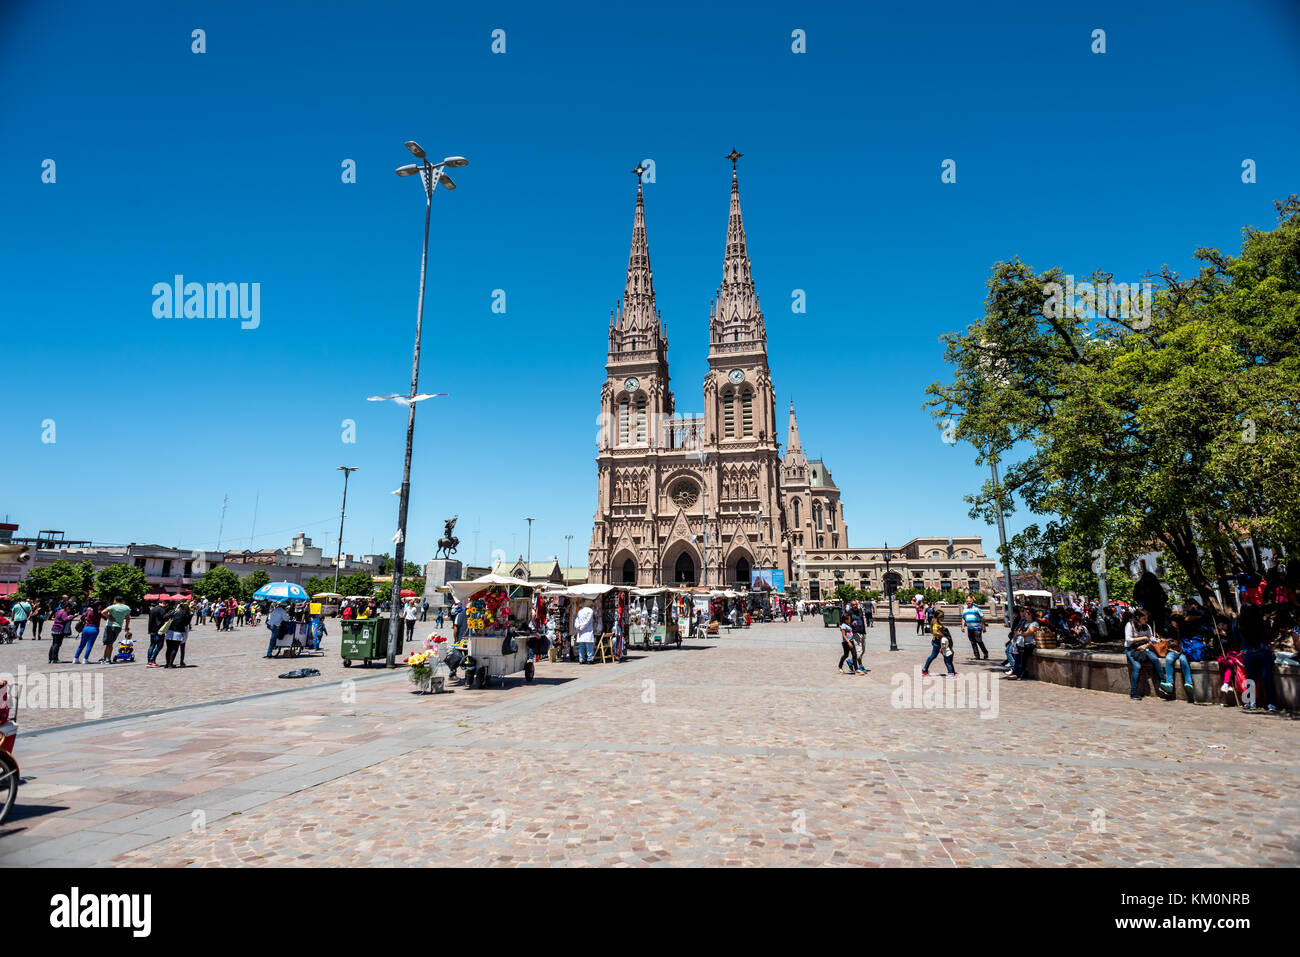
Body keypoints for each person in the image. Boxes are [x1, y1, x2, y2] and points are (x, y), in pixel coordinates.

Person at [1124, 609, 1160, 700]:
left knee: (1155, 659)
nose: (1146, 620)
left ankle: (1163, 681)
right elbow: (1128, 639)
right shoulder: (1130, 625)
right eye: (1144, 618)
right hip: (1132, 649)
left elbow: (1151, 639)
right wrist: (1143, 638)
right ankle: (1133, 692)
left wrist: (1146, 644)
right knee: (1137, 667)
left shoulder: (1147, 626)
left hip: (1144, 648)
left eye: (1147, 618)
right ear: (1138, 617)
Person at [922, 608, 956, 677]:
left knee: (945, 656)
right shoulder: (935, 624)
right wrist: (943, 635)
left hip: (939, 641)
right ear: (938, 617)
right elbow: (935, 632)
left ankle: (952, 671)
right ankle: (925, 669)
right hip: (937, 642)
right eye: (942, 616)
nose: (943, 617)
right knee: (938, 656)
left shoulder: (938, 623)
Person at [102, 595, 131, 663]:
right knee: (109, 643)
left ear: (115, 600)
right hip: (118, 627)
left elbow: (103, 612)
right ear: (122, 601)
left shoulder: (112, 606)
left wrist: (109, 617)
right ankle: (104, 657)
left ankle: (108, 659)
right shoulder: (126, 608)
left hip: (110, 626)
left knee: (109, 644)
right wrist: (126, 626)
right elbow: (127, 618)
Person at [164, 601, 192, 667]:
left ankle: (167, 663)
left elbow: (165, 617)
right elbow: (186, 624)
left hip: (170, 631)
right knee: (174, 649)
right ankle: (170, 664)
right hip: (178, 633)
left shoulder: (174, 612)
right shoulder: (186, 615)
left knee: (169, 648)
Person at [146, 598, 170, 667]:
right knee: (159, 646)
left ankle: (149, 661)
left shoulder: (153, 609)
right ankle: (151, 660)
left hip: (152, 630)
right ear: (165, 604)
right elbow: (164, 617)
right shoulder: (161, 609)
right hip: (159, 630)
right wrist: (170, 614)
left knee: (152, 645)